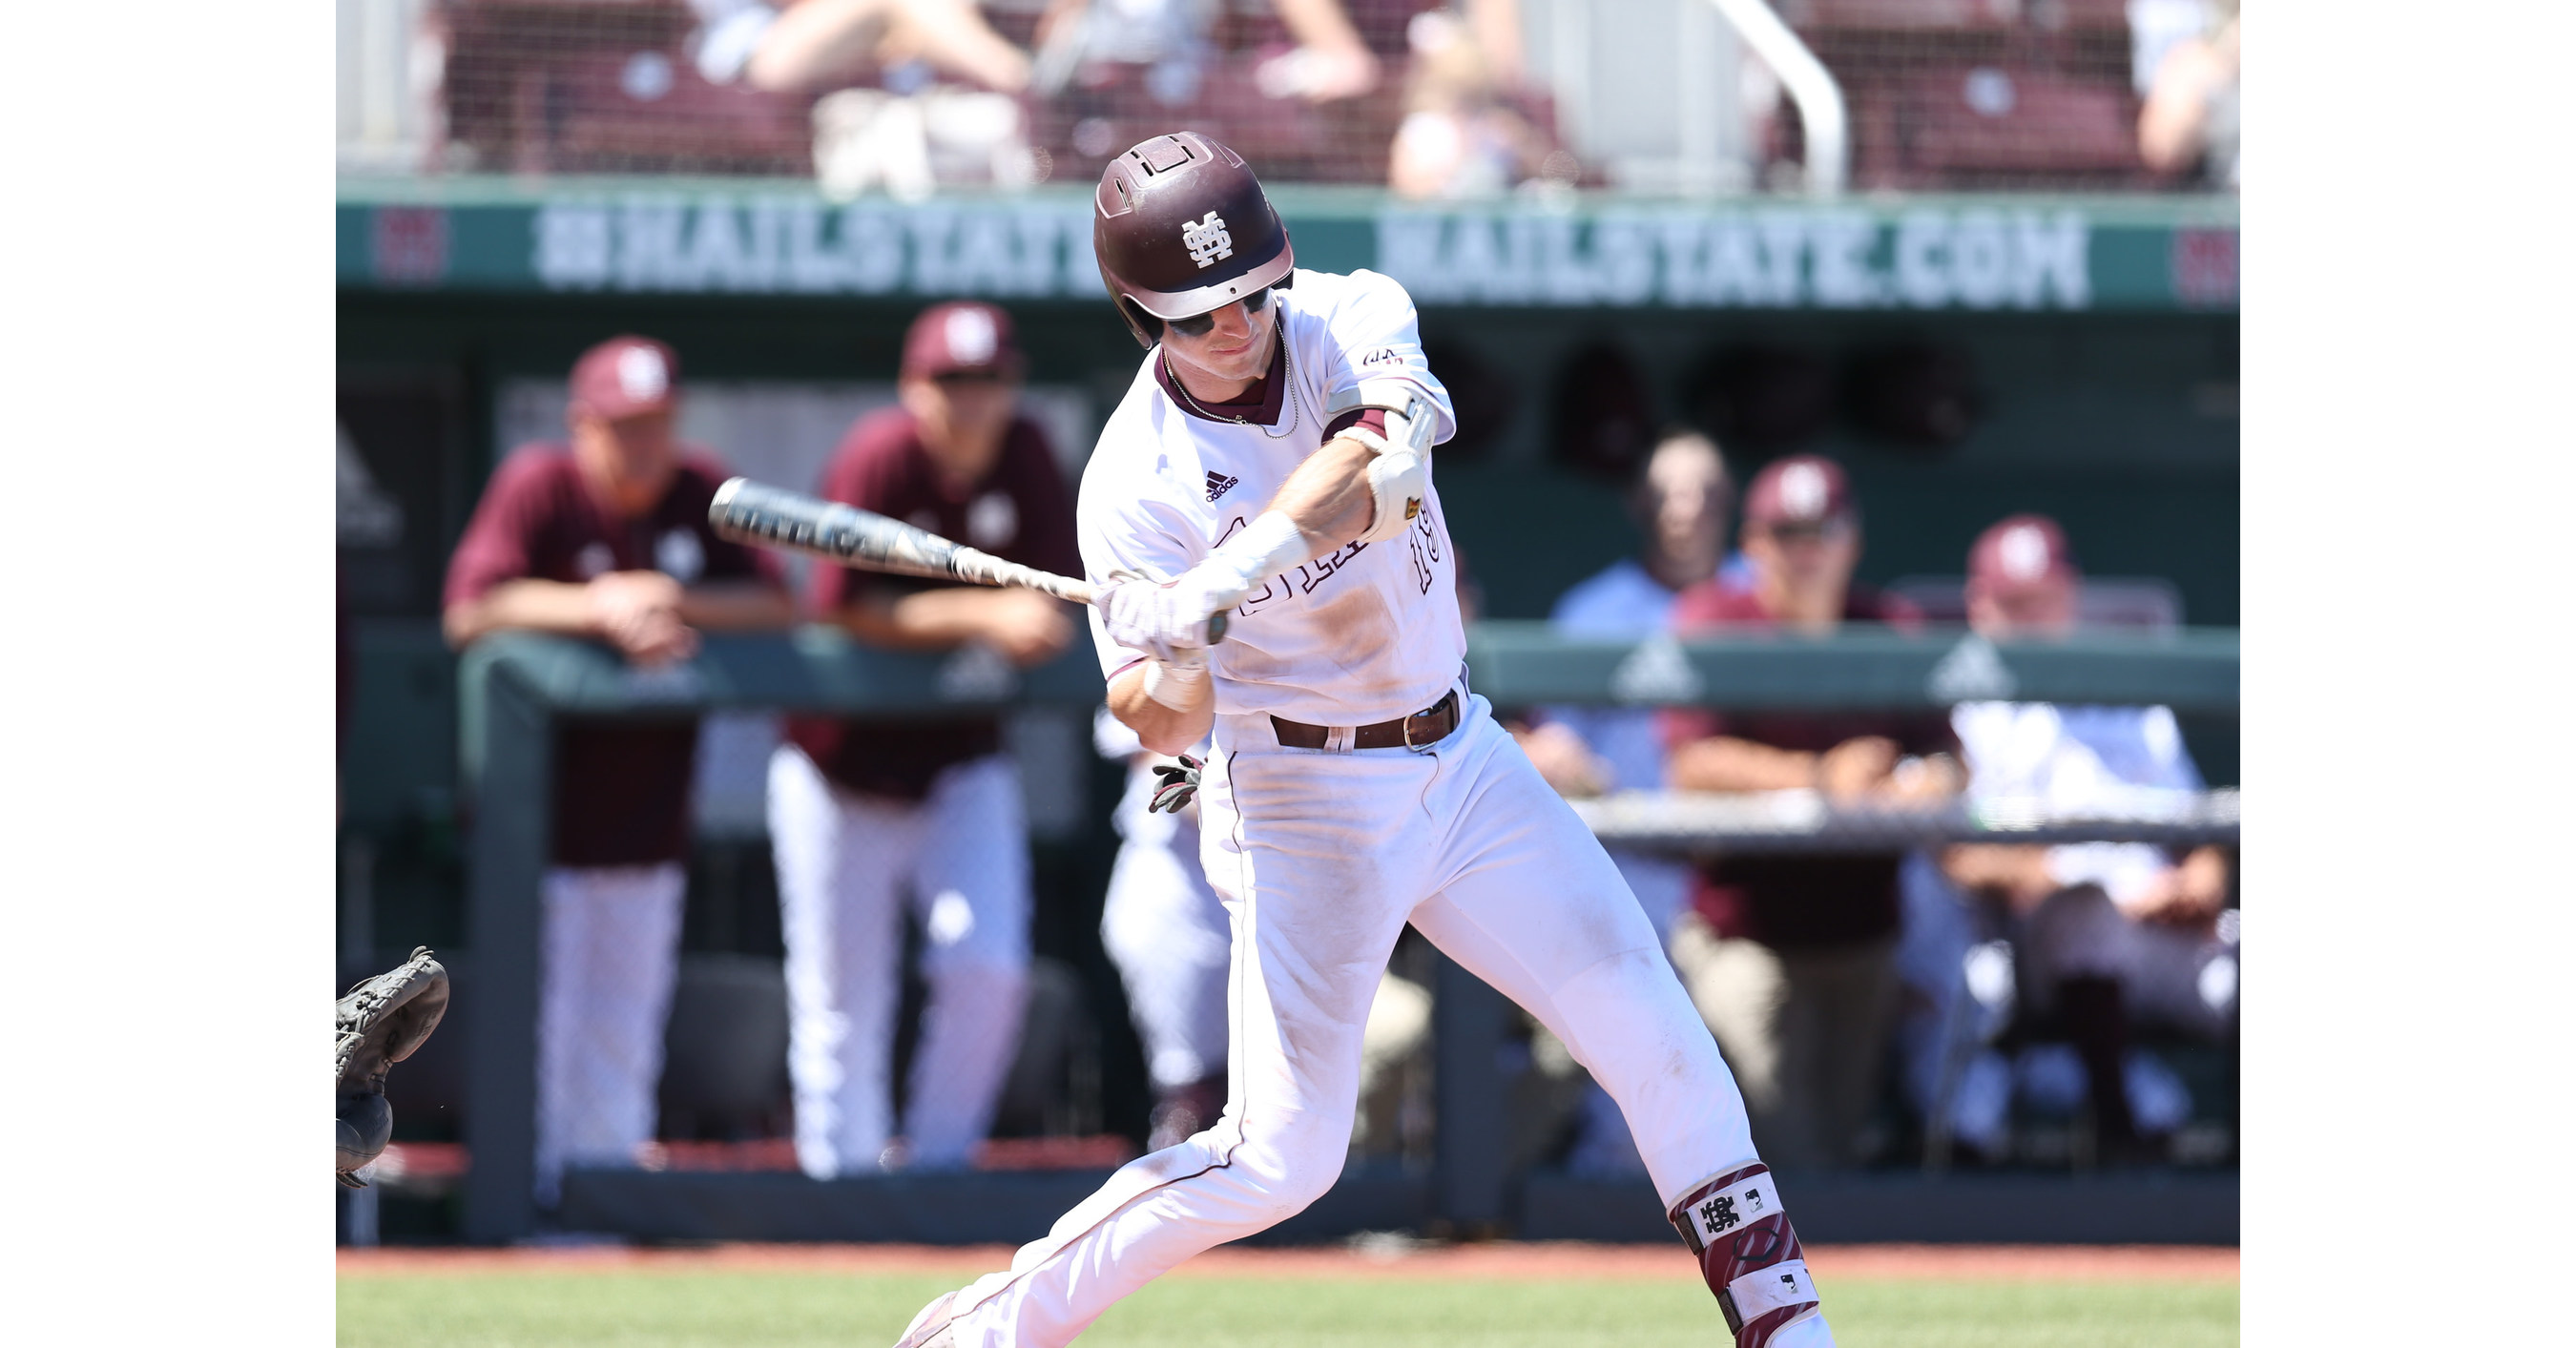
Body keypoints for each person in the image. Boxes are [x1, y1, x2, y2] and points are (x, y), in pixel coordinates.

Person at [889, 132, 1834, 1348]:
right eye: (1198, 313)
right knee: (1280, 1162)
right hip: (1298, 794)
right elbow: (1159, 722)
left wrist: (1229, 572)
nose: (1237, 325)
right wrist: (1170, 644)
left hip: (1466, 760)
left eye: (1248, 292)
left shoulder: (1349, 312)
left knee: (1663, 1047)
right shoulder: (1131, 483)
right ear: (1140, 314)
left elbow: (1379, 457)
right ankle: (977, 1331)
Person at [442, 336, 795, 1204]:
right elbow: (470, 607)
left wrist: (670, 597)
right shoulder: (540, 484)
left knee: (621, 1032)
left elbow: (780, 600)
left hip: (648, 820)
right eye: (624, 427)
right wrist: (597, 607)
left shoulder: (696, 487)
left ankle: (598, 1210)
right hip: (537, 833)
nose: (644, 444)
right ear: (583, 427)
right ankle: (523, 1207)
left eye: (657, 424)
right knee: (538, 1032)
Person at [766, 301, 1083, 1178]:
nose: (972, 401)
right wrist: (983, 612)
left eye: (988, 381)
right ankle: (842, 1189)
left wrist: (1041, 614)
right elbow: (840, 607)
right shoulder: (880, 454)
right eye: (952, 382)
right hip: (840, 763)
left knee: (989, 967)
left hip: (960, 758)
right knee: (840, 997)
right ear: (915, 387)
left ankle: (935, 1173)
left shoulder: (1027, 456)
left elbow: (1057, 596)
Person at [1661, 454, 1960, 1172]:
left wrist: (1921, 782)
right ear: (1754, 542)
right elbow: (1692, 763)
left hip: (1862, 930)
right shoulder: (1716, 620)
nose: (1808, 550)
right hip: (1745, 929)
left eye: (1823, 530)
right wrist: (1823, 775)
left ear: (1851, 540)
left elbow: (1950, 758)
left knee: (1837, 1140)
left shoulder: (1888, 626)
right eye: (1787, 532)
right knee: (1774, 1135)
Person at [1923, 514, 2239, 1157]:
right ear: (1980, 606)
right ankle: (2121, 1150)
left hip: (2164, 930)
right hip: (2042, 943)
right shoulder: (1964, 711)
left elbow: (2198, 819)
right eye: (2016, 604)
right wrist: (2057, 879)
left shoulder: (2124, 690)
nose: (2033, 618)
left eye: (2045, 599)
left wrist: (2204, 874)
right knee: (2086, 915)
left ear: (2072, 595)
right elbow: (1957, 849)